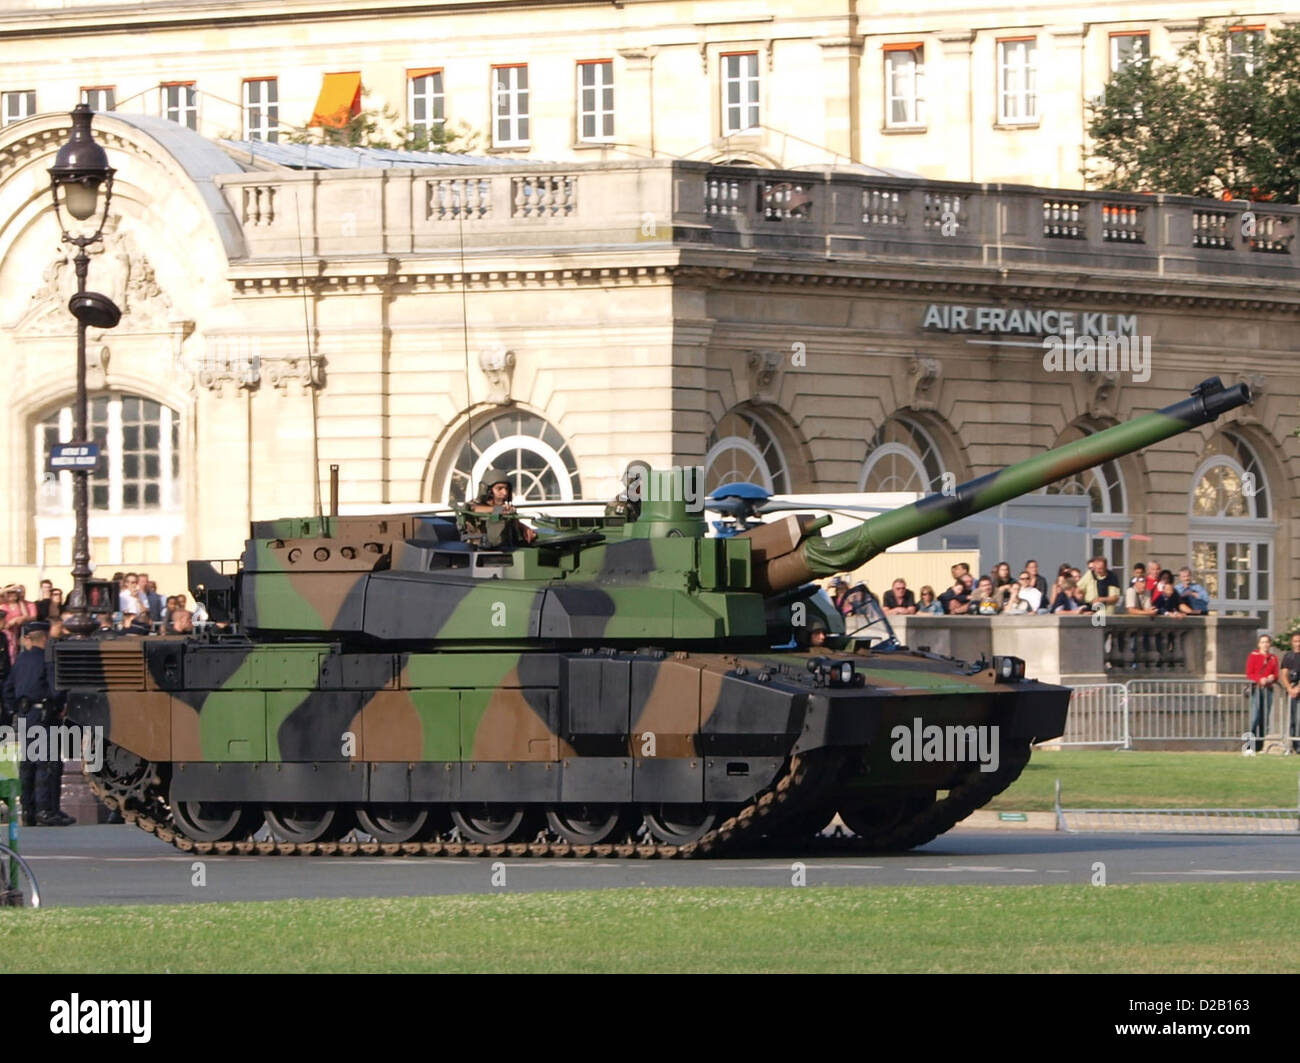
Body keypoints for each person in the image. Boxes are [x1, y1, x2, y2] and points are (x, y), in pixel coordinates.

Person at [1, 621, 74, 826]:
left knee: (28, 764)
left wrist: (16, 709)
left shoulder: (21, 661)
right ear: (45, 639)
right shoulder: (47, 660)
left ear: (29, 639)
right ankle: (47, 810)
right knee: (47, 764)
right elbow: (56, 690)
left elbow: (7, 688)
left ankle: (28, 811)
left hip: (25, 716)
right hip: (45, 717)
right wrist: (59, 706)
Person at [468, 470, 537, 546]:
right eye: (499, 488)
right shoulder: (475, 504)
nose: (505, 493)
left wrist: (524, 528)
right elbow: (472, 509)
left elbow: (515, 523)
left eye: (506, 489)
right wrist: (498, 509)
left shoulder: (505, 508)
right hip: (482, 551)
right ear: (488, 491)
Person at [1246, 634, 1279, 753]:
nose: (1265, 644)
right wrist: (1259, 679)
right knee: (1255, 717)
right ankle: (1249, 745)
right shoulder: (1253, 656)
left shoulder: (1273, 658)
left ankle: (1259, 745)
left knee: (1264, 718)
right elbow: (1249, 673)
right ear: (1259, 644)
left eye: (1267, 642)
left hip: (1268, 689)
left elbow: (1276, 674)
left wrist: (1272, 678)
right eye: (1263, 642)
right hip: (1257, 689)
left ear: (1270, 644)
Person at [1279, 632, 1300, 754]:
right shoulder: (1288, 656)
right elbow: (1284, 674)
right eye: (1296, 641)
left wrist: (1298, 687)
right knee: (1293, 719)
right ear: (1292, 643)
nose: (1298, 643)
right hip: (1292, 692)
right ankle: (1294, 745)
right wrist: (1289, 688)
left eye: (1299, 641)